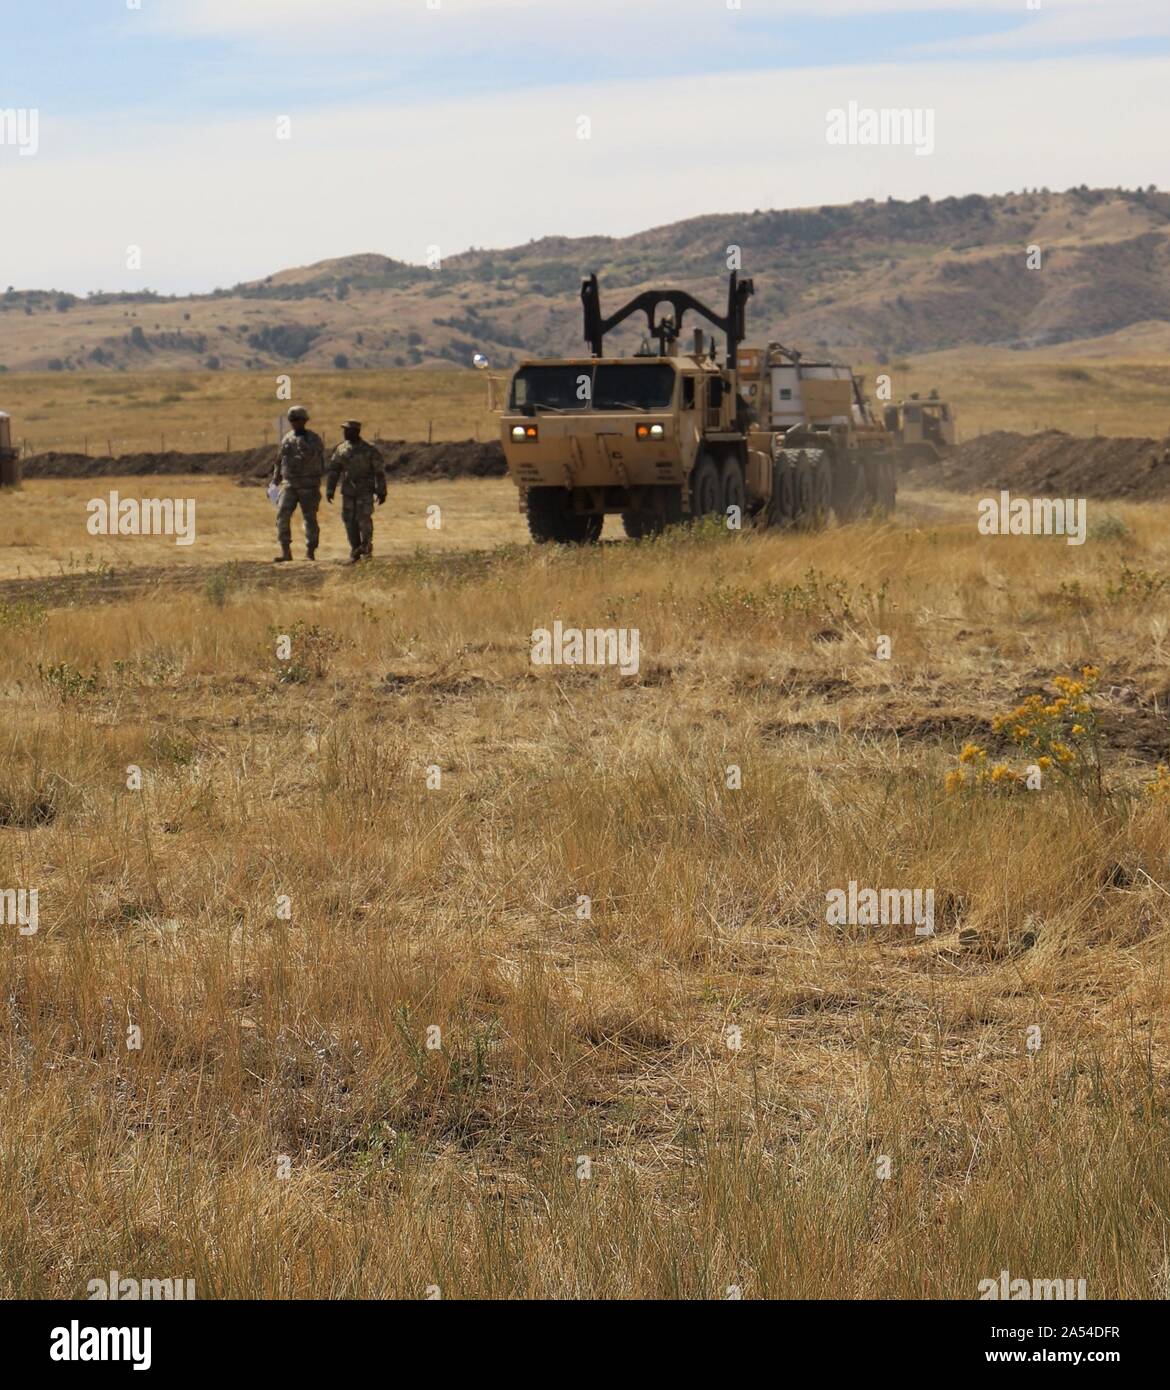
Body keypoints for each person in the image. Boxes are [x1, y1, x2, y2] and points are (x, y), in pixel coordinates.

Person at [326, 421, 387, 563]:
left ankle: (366, 549)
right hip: (348, 492)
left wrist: (381, 490)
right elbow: (334, 470)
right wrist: (330, 489)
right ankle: (355, 550)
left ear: (356, 431)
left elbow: (379, 472)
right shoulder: (341, 449)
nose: (345, 433)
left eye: (348, 430)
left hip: (365, 491)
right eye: (344, 430)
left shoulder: (369, 449)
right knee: (349, 521)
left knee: (364, 519)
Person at [271, 405, 325, 562]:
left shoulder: (314, 439)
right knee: (282, 515)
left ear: (305, 421)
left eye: (297, 420)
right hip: (290, 484)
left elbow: (317, 460)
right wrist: (275, 479)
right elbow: (279, 460)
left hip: (309, 485)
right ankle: (286, 552)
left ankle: (310, 552)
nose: (294, 423)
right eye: (292, 420)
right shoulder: (287, 438)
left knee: (309, 518)